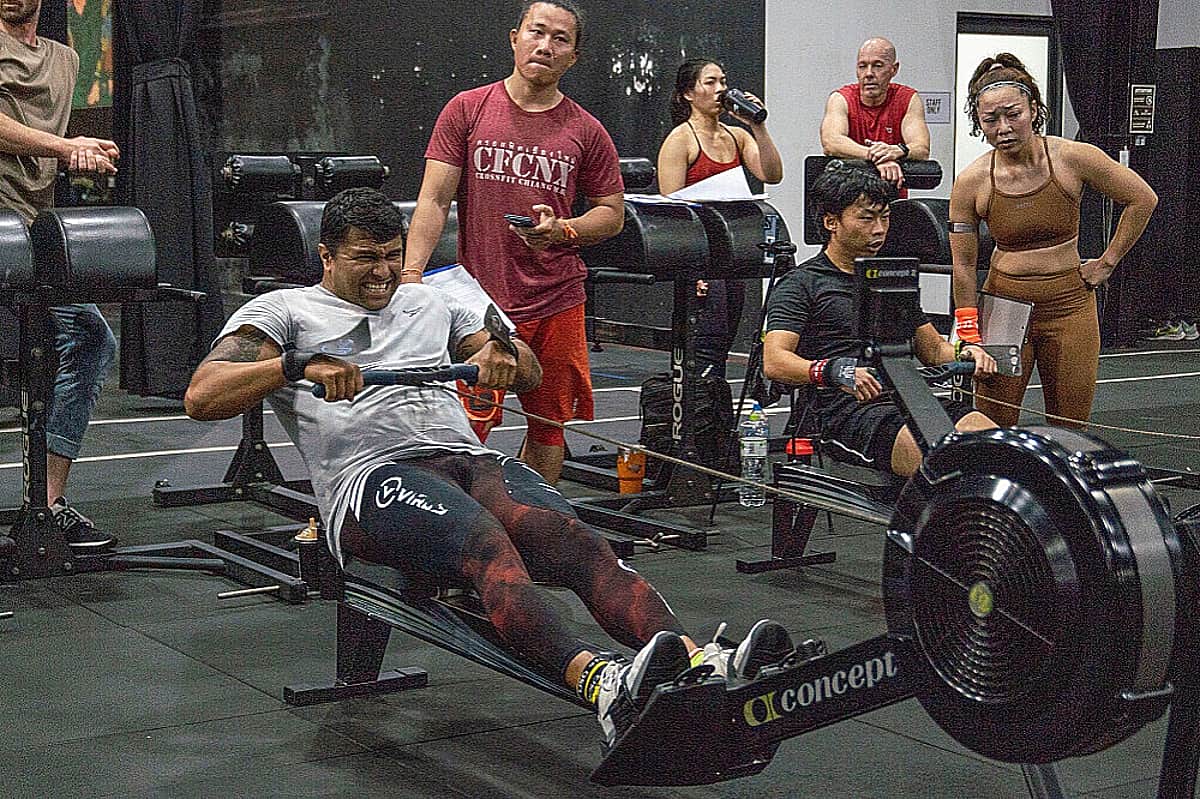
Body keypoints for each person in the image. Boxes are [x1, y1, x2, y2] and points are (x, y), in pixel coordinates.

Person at [184, 188, 797, 747]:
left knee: (575, 536)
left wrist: (506, 358)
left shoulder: (433, 300)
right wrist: (295, 367)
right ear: (325, 255)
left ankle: (697, 662)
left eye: (392, 256)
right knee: (484, 541)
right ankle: (602, 683)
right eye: (365, 258)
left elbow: (523, 367)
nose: (383, 273)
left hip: (465, 458)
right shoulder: (286, 311)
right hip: (367, 481)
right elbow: (202, 396)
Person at [403, 0, 624, 485]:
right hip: (478, 304)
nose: (545, 45)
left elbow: (611, 215)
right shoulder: (467, 109)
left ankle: (533, 523)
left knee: (548, 428)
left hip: (558, 300)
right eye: (537, 32)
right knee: (464, 429)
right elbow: (434, 199)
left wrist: (563, 230)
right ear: (514, 38)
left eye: (560, 39)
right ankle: (459, 532)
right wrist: (410, 278)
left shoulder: (586, 131)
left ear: (573, 57)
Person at [949, 53, 1158, 428]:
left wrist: (1107, 262)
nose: (1004, 127)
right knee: (992, 425)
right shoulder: (971, 181)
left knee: (1070, 426)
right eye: (990, 119)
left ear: (1033, 108)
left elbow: (1142, 198)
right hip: (1004, 309)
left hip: (1069, 305)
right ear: (979, 124)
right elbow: (963, 265)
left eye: (1013, 114)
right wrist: (968, 333)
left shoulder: (1072, 158)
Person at [762, 165, 997, 477]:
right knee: (953, 467)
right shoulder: (801, 284)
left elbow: (934, 351)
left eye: (884, 217)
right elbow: (774, 362)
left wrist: (965, 352)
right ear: (832, 221)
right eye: (866, 218)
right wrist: (833, 370)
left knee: (1001, 453)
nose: (879, 228)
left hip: (911, 399)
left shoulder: (891, 277)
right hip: (845, 414)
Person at [0, 0, 121, 548]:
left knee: (92, 337)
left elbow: (57, 148)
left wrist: (90, 152)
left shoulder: (66, 59)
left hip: (35, 229)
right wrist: (66, 147)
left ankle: (46, 504)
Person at [656, 57, 783, 379]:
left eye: (723, 82)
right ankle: (696, 414)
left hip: (731, 259)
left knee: (724, 343)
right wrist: (689, 270)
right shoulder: (680, 140)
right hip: (699, 263)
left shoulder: (737, 137)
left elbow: (772, 173)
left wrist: (758, 126)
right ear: (688, 93)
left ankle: (717, 416)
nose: (720, 89)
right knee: (703, 347)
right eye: (710, 82)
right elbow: (672, 214)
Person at [819, 37, 929, 194]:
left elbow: (921, 148)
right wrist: (877, 157)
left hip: (891, 196)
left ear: (894, 69)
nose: (869, 74)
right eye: (862, 66)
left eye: (877, 66)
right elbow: (831, 143)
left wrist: (897, 150)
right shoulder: (840, 98)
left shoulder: (908, 99)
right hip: (849, 195)